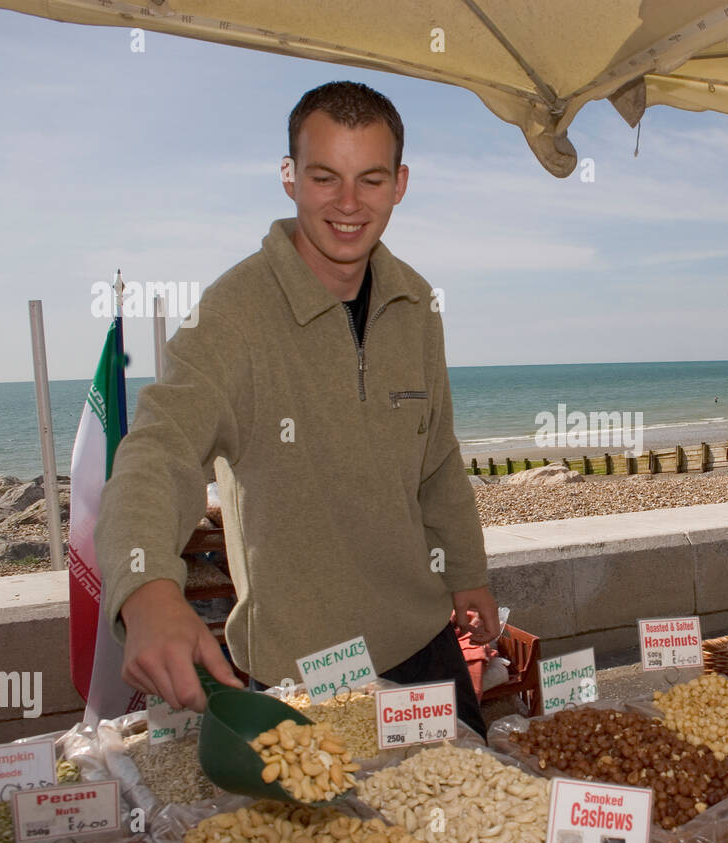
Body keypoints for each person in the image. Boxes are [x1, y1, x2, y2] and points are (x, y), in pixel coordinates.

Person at [95, 81, 497, 738]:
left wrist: (468, 573)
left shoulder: (417, 304)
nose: (347, 203)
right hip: (302, 671)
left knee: (477, 831)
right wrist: (145, 588)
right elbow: (156, 449)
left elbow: (438, 458)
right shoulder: (230, 317)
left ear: (399, 183)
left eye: (369, 179)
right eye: (323, 177)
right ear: (289, 178)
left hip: (424, 644)